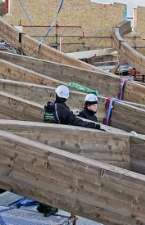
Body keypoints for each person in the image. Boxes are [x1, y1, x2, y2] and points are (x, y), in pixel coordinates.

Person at [39, 86, 102, 216]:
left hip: (47, 144)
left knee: (48, 175)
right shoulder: (63, 110)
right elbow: (76, 122)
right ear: (67, 97)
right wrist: (94, 126)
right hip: (59, 146)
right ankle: (48, 206)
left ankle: (43, 205)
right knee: (57, 177)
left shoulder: (49, 108)